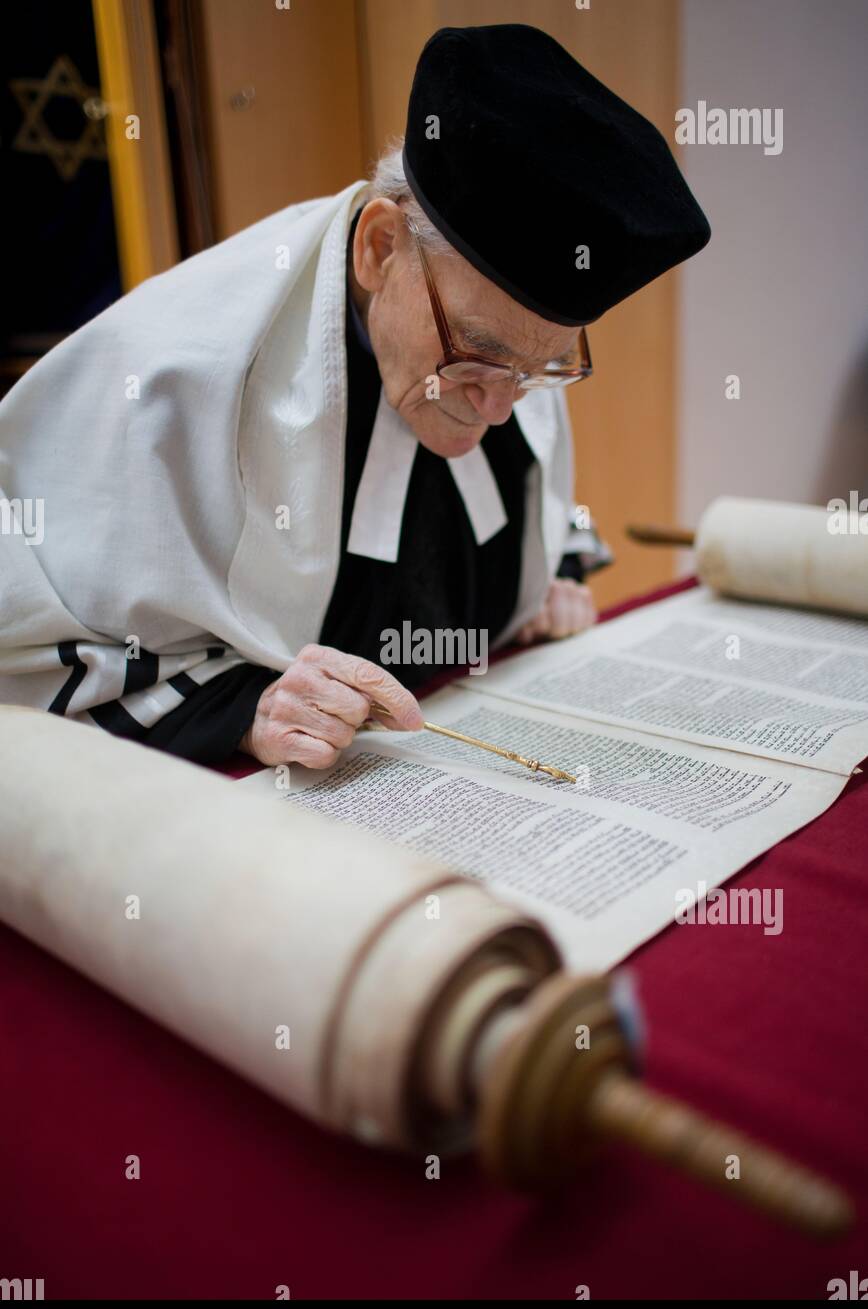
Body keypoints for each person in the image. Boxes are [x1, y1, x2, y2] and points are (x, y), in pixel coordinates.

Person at [0, 24, 710, 769]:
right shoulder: (174, 374)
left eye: (541, 368)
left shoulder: (504, 337)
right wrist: (246, 706)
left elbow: (539, 492)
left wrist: (550, 575)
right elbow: (31, 645)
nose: (500, 409)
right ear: (380, 247)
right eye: (477, 360)